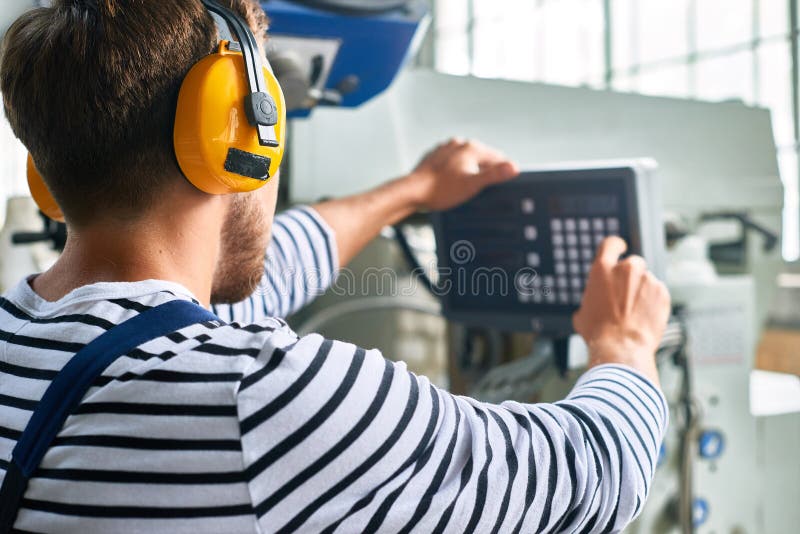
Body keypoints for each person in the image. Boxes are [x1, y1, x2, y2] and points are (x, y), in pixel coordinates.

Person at [0, 1, 670, 532]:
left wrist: (411, 191)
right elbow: (596, 471)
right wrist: (624, 344)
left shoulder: (26, 341)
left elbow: (273, 265)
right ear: (241, 136)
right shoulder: (260, 399)